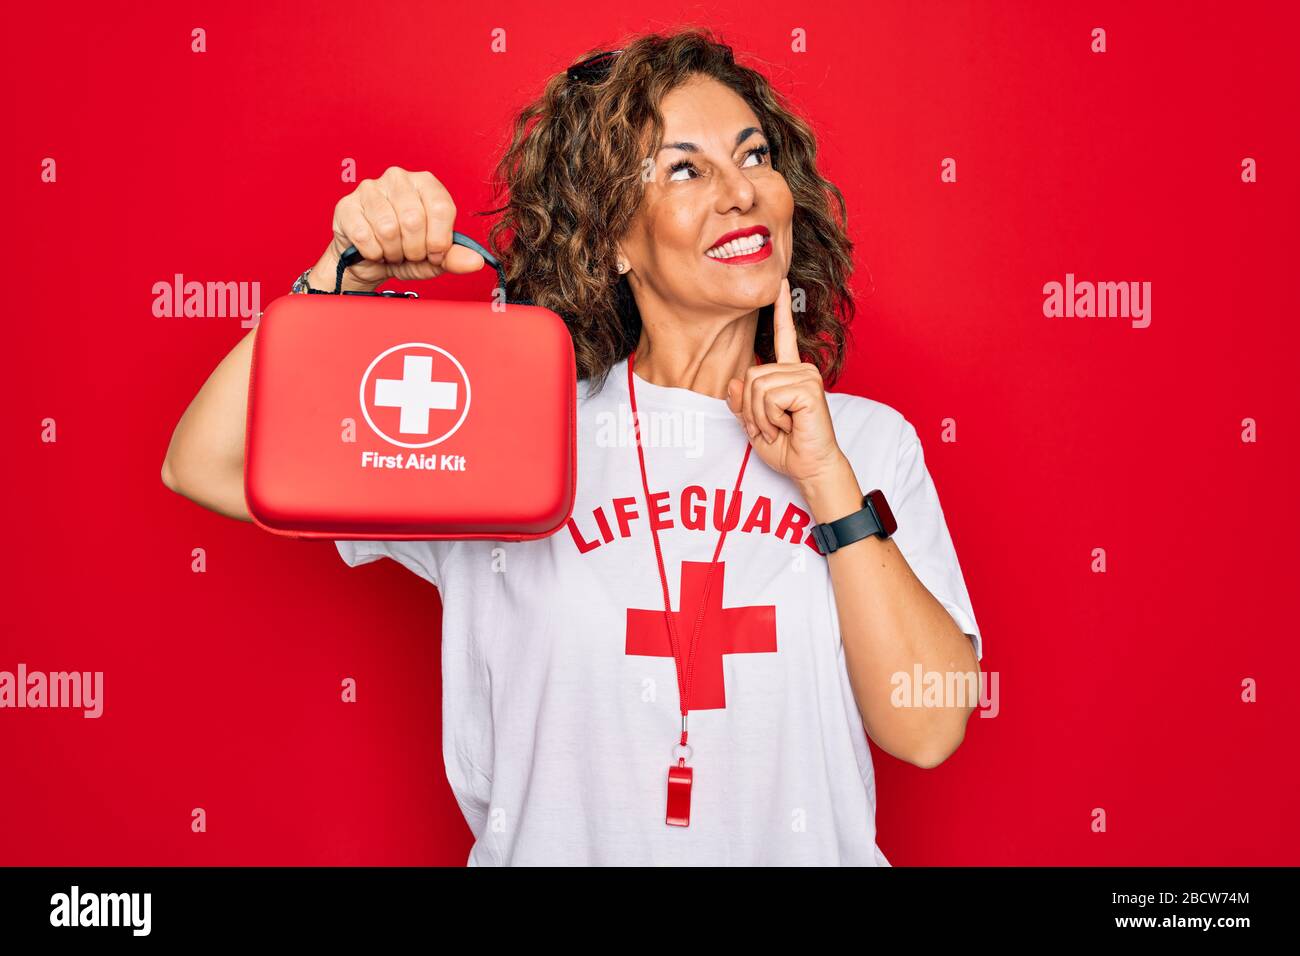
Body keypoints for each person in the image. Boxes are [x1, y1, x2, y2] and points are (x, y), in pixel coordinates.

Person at [161, 27, 983, 866]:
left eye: (756, 155)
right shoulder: (508, 425)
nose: (742, 192)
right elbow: (205, 463)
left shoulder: (869, 445)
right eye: (686, 169)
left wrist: (827, 478)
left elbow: (929, 726)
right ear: (615, 238)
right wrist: (337, 279)